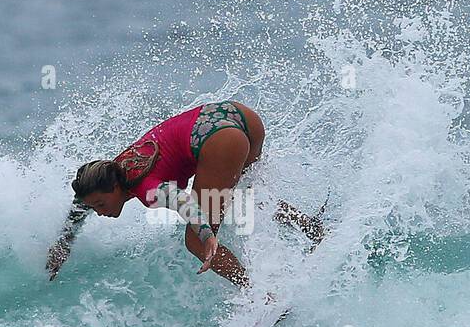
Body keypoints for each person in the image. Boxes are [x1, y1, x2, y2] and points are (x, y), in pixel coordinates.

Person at [46, 100, 324, 287]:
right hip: (237, 116)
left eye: (101, 204)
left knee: (194, 241)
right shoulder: (109, 170)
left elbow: (184, 203)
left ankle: (257, 295)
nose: (100, 212)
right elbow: (81, 203)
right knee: (246, 198)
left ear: (116, 189)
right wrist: (63, 244)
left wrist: (206, 235)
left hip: (220, 141)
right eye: (95, 207)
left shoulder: (145, 188)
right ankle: (312, 228)